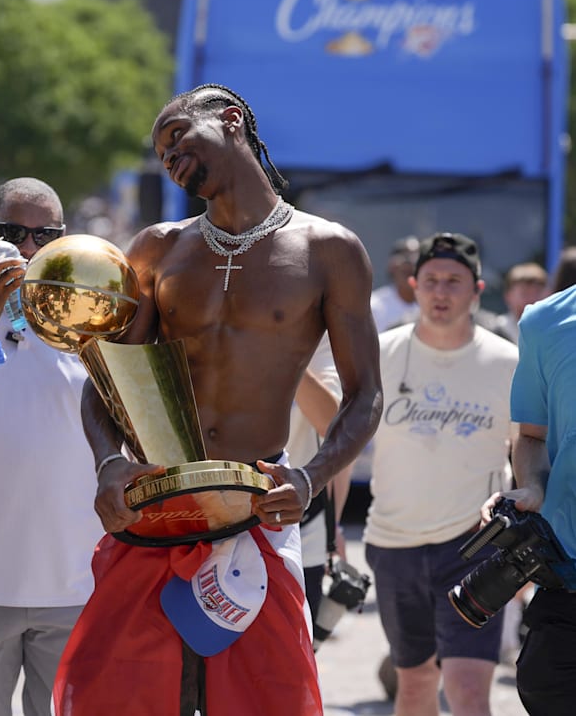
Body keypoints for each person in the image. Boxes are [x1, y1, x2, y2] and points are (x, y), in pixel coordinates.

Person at [52, 83, 383, 716]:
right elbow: (106, 383)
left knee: (269, 702)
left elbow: (366, 396)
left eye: (175, 137)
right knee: (114, 696)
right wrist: (108, 464)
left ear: (231, 121)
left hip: (257, 515)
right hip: (153, 510)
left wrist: (311, 480)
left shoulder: (328, 249)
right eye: (160, 153)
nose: (168, 158)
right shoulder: (158, 248)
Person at [0, 177, 102, 716]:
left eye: (47, 234)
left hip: (73, 587)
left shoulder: (92, 333)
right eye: (15, 232)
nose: (30, 247)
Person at [364, 231, 519, 716]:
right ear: (413, 285)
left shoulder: (507, 362)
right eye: (431, 280)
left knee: (469, 689)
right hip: (394, 544)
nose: (441, 292)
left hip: (473, 546)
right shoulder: (382, 353)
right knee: (414, 685)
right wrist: (327, 530)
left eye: (454, 281)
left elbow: (529, 447)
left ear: (476, 290)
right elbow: (341, 437)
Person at [480, 280, 576, 715]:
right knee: (542, 686)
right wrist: (533, 486)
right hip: (568, 575)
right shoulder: (545, 322)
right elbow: (531, 437)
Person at [286, 332, 348, 625]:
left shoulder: (317, 334)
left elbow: (332, 424)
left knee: (295, 656)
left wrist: (283, 349)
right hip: (218, 511)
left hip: (299, 524)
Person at [371, 235, 420, 333]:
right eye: (406, 271)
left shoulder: (434, 307)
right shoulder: (374, 307)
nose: (411, 266)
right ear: (392, 267)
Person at [492, 262, 548, 344]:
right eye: (524, 293)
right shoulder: (495, 331)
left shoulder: (554, 330)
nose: (532, 299)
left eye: (537, 292)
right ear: (508, 296)